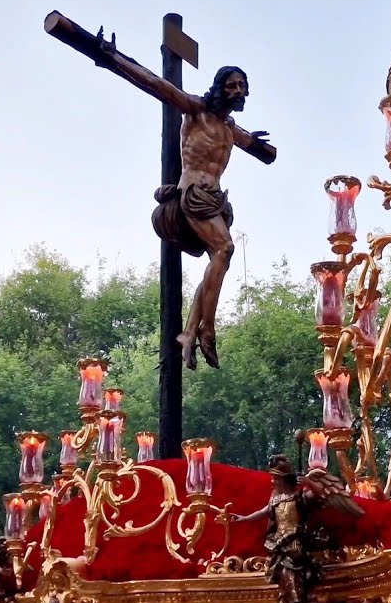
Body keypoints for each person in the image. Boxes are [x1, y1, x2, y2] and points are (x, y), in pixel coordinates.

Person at [108, 40, 272, 371]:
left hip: (217, 199)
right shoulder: (196, 110)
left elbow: (254, 145)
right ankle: (207, 330)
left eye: (242, 86)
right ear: (220, 88)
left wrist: (256, 143)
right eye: (232, 85)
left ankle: (188, 332)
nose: (238, 91)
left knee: (218, 263)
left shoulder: (230, 128)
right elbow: (157, 85)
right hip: (194, 194)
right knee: (224, 250)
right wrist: (114, 59)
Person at [231, 455, 363, 603]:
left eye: (276, 478)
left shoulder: (299, 497)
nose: (273, 481)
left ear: (284, 479)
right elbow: (263, 512)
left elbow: (320, 494)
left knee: (293, 574)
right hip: (280, 543)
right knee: (283, 576)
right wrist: (244, 519)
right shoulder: (276, 499)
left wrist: (308, 481)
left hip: (296, 543)